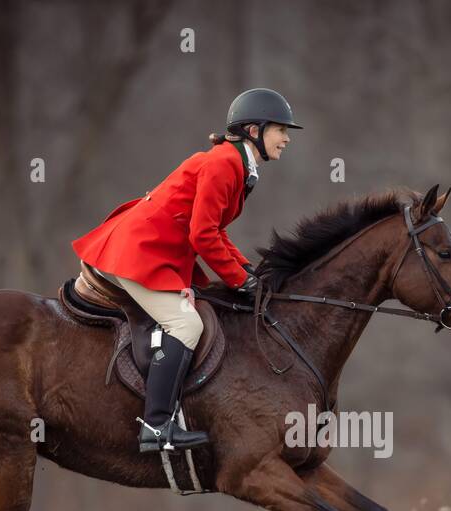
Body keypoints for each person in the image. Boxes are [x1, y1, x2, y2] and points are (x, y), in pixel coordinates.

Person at [71, 88, 302, 453]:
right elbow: (202, 234)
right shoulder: (224, 164)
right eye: (280, 130)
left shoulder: (236, 163)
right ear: (255, 131)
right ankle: (157, 426)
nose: (287, 139)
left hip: (156, 250)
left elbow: (214, 230)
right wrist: (240, 281)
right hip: (138, 251)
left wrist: (246, 270)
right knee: (186, 324)